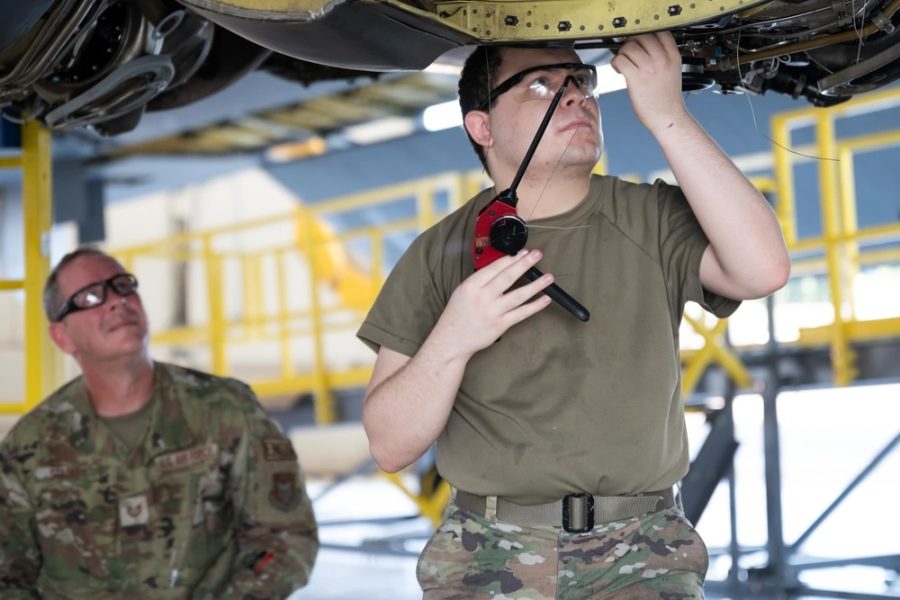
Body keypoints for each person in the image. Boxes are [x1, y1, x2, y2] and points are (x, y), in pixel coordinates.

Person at [357, 32, 790, 598]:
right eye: (540, 85)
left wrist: (666, 113)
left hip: (644, 550)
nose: (575, 97)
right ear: (481, 127)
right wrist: (455, 338)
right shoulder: (440, 253)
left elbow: (763, 270)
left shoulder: (649, 218)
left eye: (581, 82)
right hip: (487, 553)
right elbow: (391, 446)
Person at [0, 247, 318, 599]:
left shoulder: (226, 411)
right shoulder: (30, 448)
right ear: (62, 336)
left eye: (123, 285)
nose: (117, 301)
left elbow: (286, 537)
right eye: (90, 296)